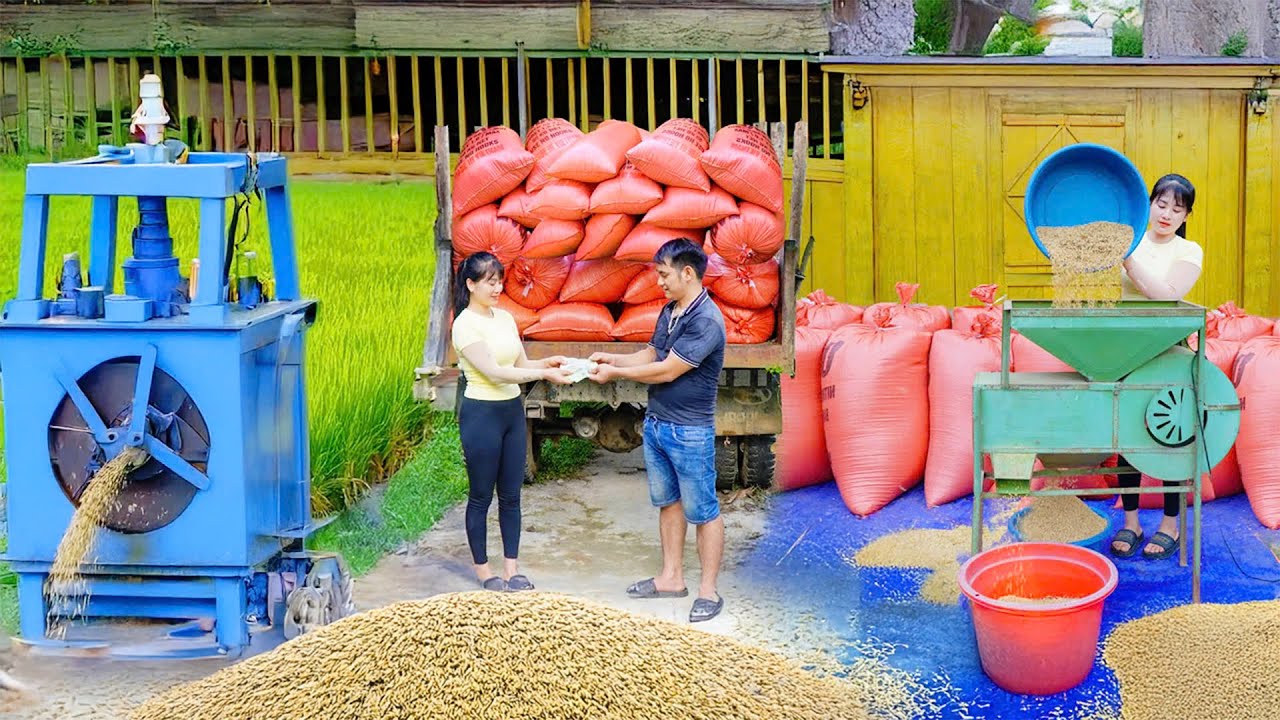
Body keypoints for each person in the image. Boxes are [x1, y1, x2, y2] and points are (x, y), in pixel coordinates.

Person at [588, 238, 728, 623]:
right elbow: (653, 354)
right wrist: (613, 357)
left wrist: (616, 373)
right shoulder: (671, 311)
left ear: (687, 273)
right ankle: (671, 578)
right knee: (668, 503)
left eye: (664, 275)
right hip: (658, 424)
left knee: (704, 511)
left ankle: (708, 591)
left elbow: (669, 370)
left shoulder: (706, 321)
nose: (660, 282)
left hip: (690, 431)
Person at [451, 252, 573, 591]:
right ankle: (483, 571)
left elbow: (522, 362)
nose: (497, 288)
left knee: (511, 495)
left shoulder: (505, 319)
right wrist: (544, 373)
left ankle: (512, 569)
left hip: (510, 413)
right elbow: (494, 371)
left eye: (499, 281)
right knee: (480, 496)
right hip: (481, 415)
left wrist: (551, 363)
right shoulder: (464, 324)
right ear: (470, 284)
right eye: (489, 282)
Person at [1112, 173, 1202, 560]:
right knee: (1126, 437)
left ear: (1186, 216)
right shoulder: (1126, 237)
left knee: (1169, 436)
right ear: (1149, 204)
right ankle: (1130, 522)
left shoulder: (1189, 250)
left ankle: (1170, 524)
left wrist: (1126, 256)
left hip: (1167, 349)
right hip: (1122, 349)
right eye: (1161, 204)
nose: (1167, 214)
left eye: (1177, 208)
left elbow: (1167, 295)